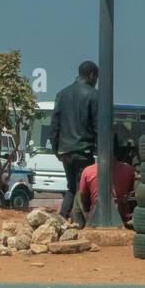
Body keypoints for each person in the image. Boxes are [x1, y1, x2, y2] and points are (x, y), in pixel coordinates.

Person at [50, 61, 100, 219]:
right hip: (83, 150)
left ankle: (62, 220)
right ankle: (80, 223)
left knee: (72, 187)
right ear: (92, 75)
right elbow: (99, 126)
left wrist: (56, 148)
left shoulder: (62, 94)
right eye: (96, 77)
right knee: (83, 188)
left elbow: (54, 125)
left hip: (64, 150)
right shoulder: (94, 94)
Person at [74, 137, 136, 227]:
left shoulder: (88, 171)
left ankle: (80, 227)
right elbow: (131, 192)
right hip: (122, 216)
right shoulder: (129, 169)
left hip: (97, 215)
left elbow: (84, 199)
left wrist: (88, 210)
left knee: (78, 195)